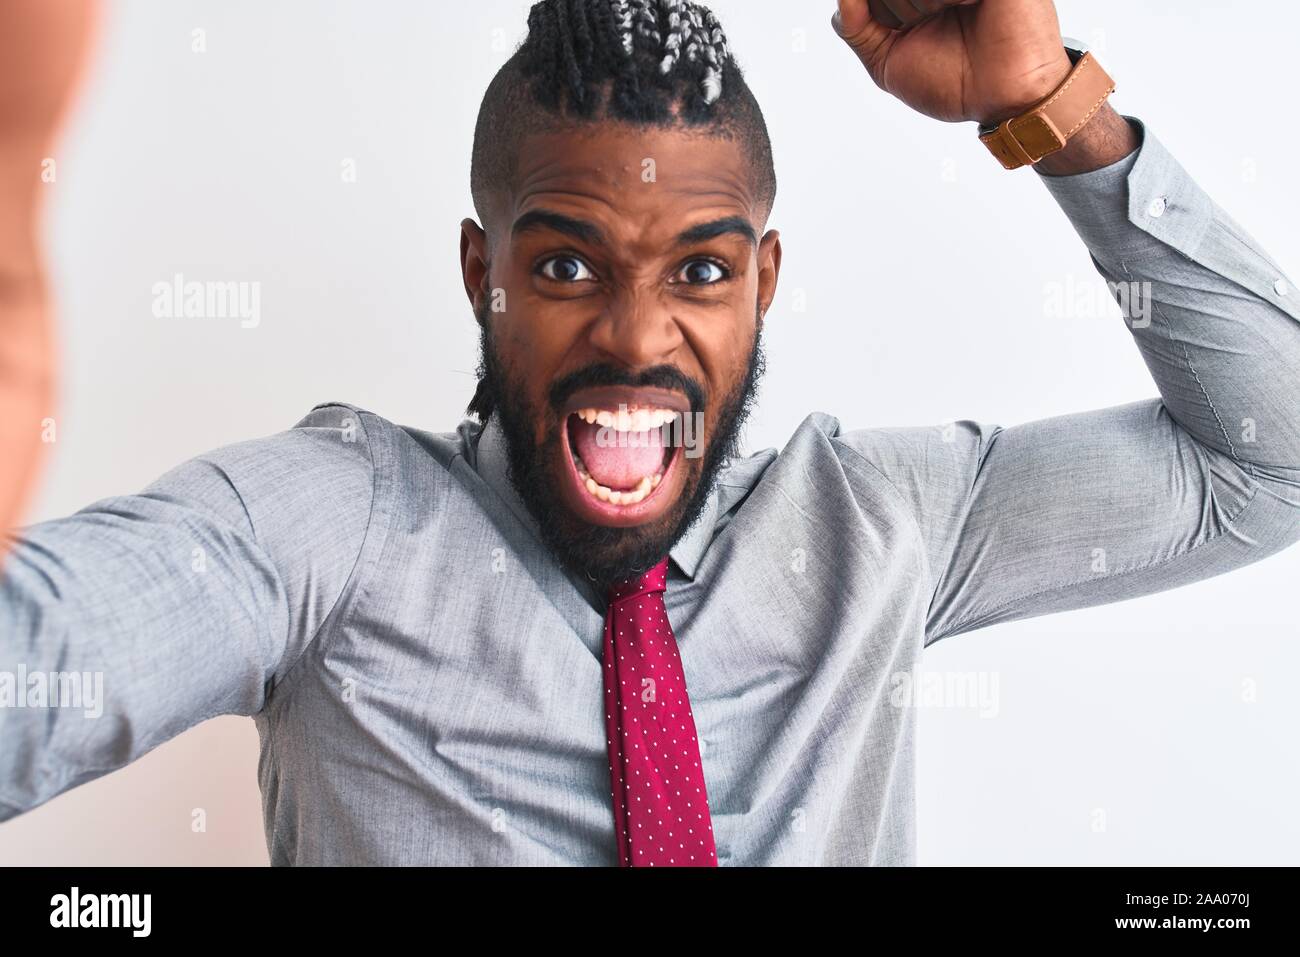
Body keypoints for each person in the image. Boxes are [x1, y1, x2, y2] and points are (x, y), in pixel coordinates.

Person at [2, 0, 1297, 866]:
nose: (634, 335)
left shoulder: (882, 522)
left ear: (765, 281)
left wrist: (1054, 109)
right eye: (566, 268)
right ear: (482, 272)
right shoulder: (326, 525)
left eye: (700, 271)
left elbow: (1267, 456)